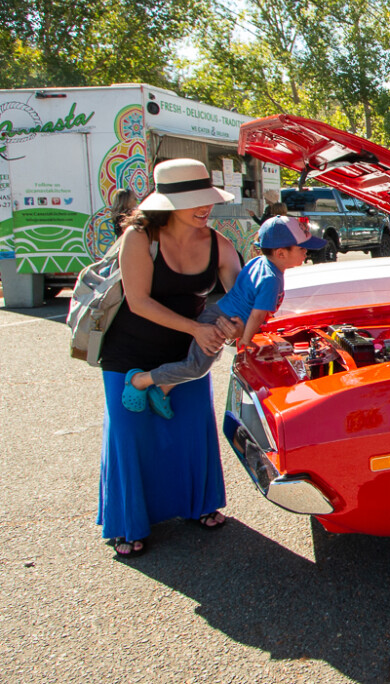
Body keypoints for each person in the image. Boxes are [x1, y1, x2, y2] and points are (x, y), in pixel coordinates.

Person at [97, 158, 243, 559]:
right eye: (194, 200)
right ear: (167, 202)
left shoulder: (219, 243)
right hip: (129, 354)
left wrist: (236, 324)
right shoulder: (139, 238)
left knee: (192, 429)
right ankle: (128, 524)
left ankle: (198, 505)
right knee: (131, 435)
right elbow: (138, 302)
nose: (205, 207)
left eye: (207, 198)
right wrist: (198, 328)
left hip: (185, 354)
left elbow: (240, 296)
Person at [123, 215, 324, 414]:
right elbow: (256, 314)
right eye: (302, 248)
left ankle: (164, 389)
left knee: (207, 357)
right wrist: (246, 339)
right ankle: (141, 380)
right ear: (281, 253)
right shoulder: (272, 280)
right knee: (196, 368)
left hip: (217, 313)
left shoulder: (260, 262)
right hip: (222, 322)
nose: (307, 252)